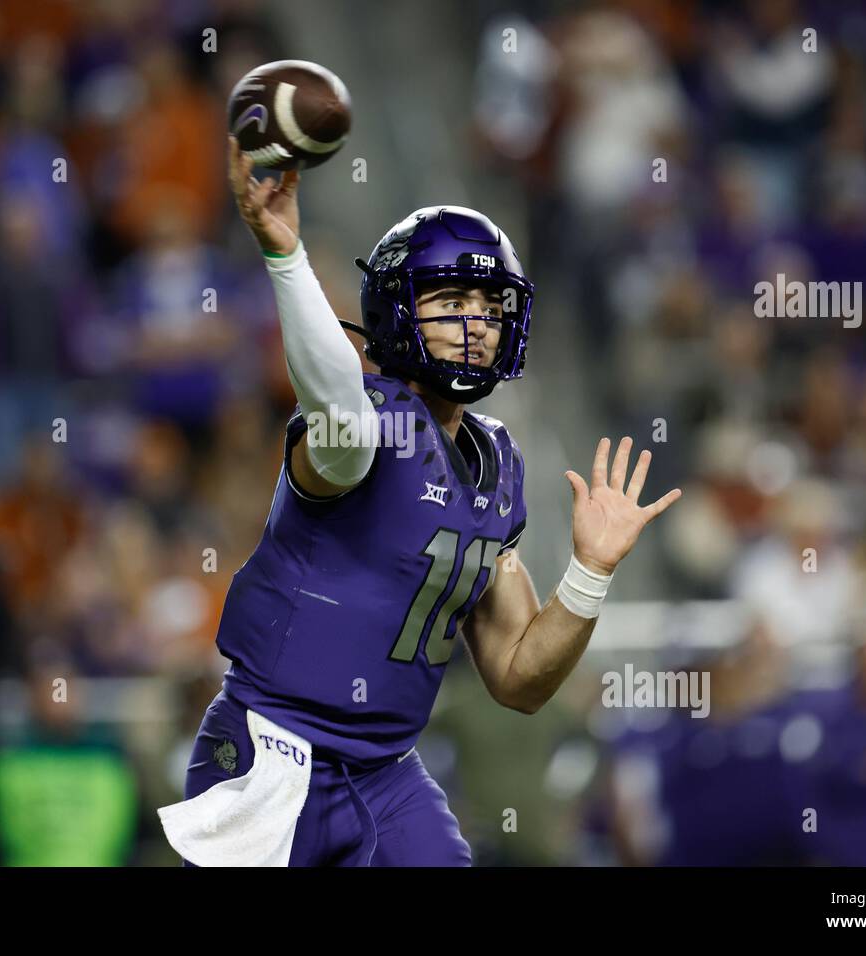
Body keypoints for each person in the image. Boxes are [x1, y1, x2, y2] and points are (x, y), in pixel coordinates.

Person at [156, 138, 681, 867]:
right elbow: (335, 399)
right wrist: (286, 256)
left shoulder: (497, 458)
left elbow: (521, 679)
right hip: (272, 752)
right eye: (451, 301)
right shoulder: (364, 423)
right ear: (398, 312)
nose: (476, 325)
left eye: (490, 306)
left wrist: (590, 572)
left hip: (385, 770)